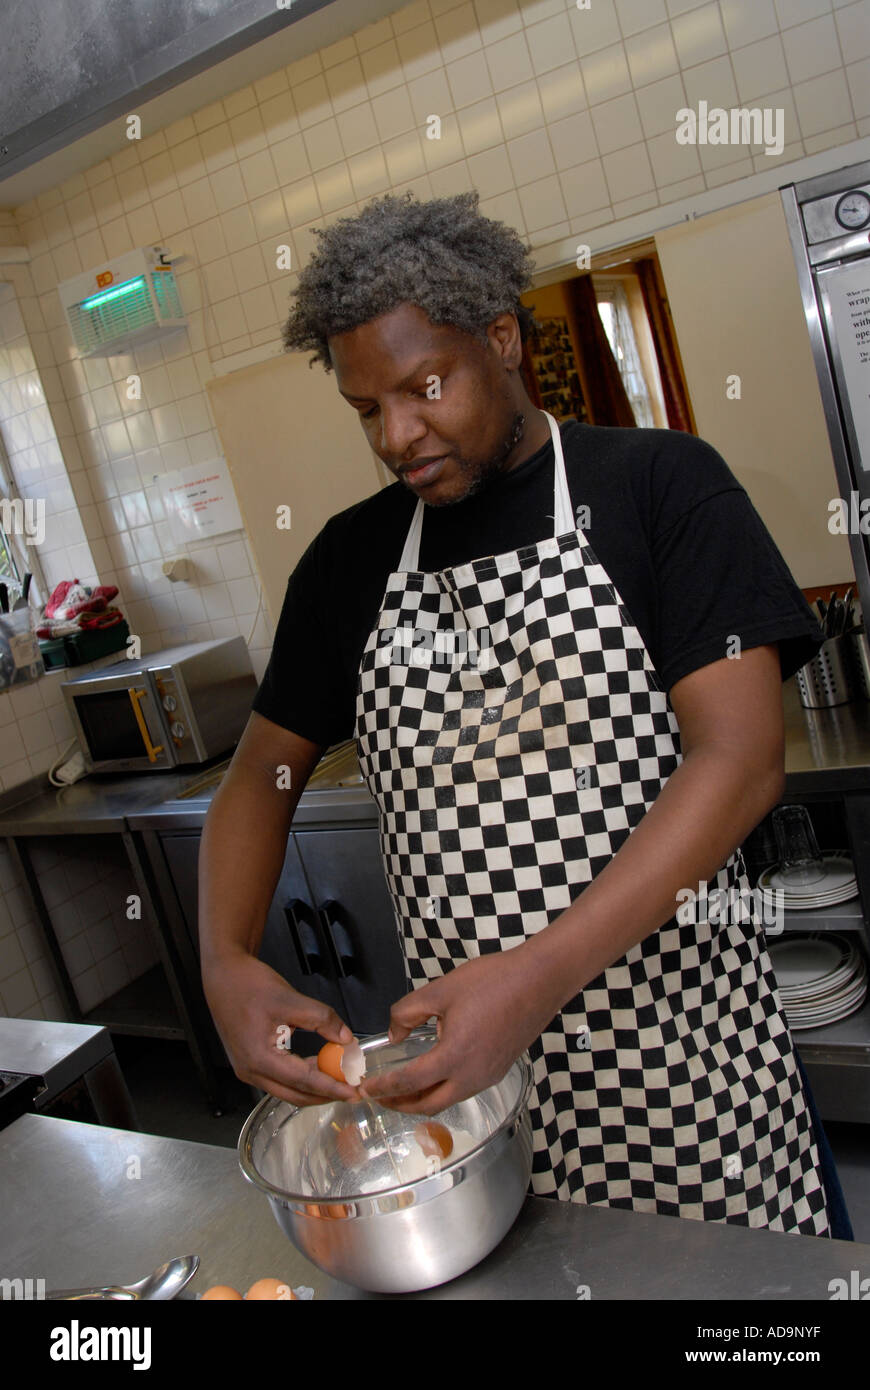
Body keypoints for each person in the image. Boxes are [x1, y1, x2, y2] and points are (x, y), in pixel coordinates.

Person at [200, 189, 844, 1236]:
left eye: (425, 386)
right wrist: (225, 956)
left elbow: (740, 761)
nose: (398, 434)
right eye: (368, 408)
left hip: (683, 1063)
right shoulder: (349, 562)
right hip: (473, 1094)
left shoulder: (660, 487)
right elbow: (262, 772)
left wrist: (537, 975)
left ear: (502, 337)